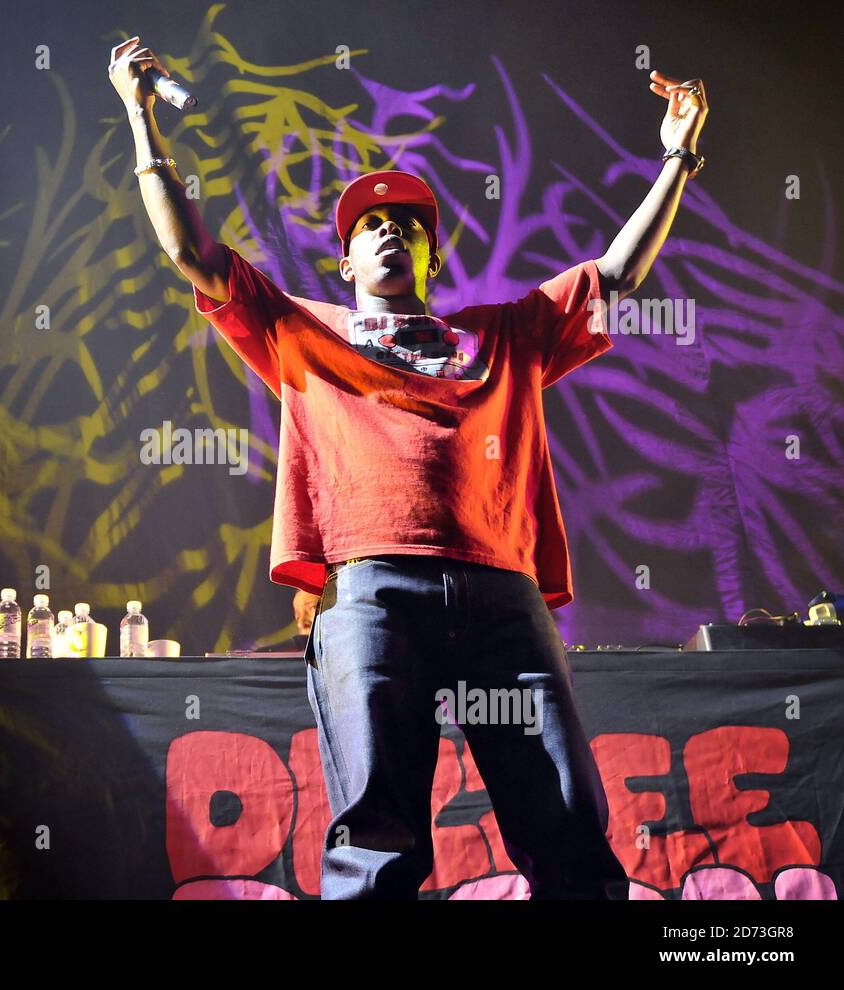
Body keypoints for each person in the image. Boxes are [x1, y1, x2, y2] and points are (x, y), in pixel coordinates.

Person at [108, 36, 708, 899]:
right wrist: (140, 117)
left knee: (568, 832)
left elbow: (614, 274)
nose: (391, 231)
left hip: (503, 599)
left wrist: (679, 156)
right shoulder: (301, 330)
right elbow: (194, 256)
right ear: (345, 264)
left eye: (409, 226)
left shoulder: (505, 334)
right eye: (369, 228)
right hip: (371, 596)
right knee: (377, 838)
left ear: (431, 258)